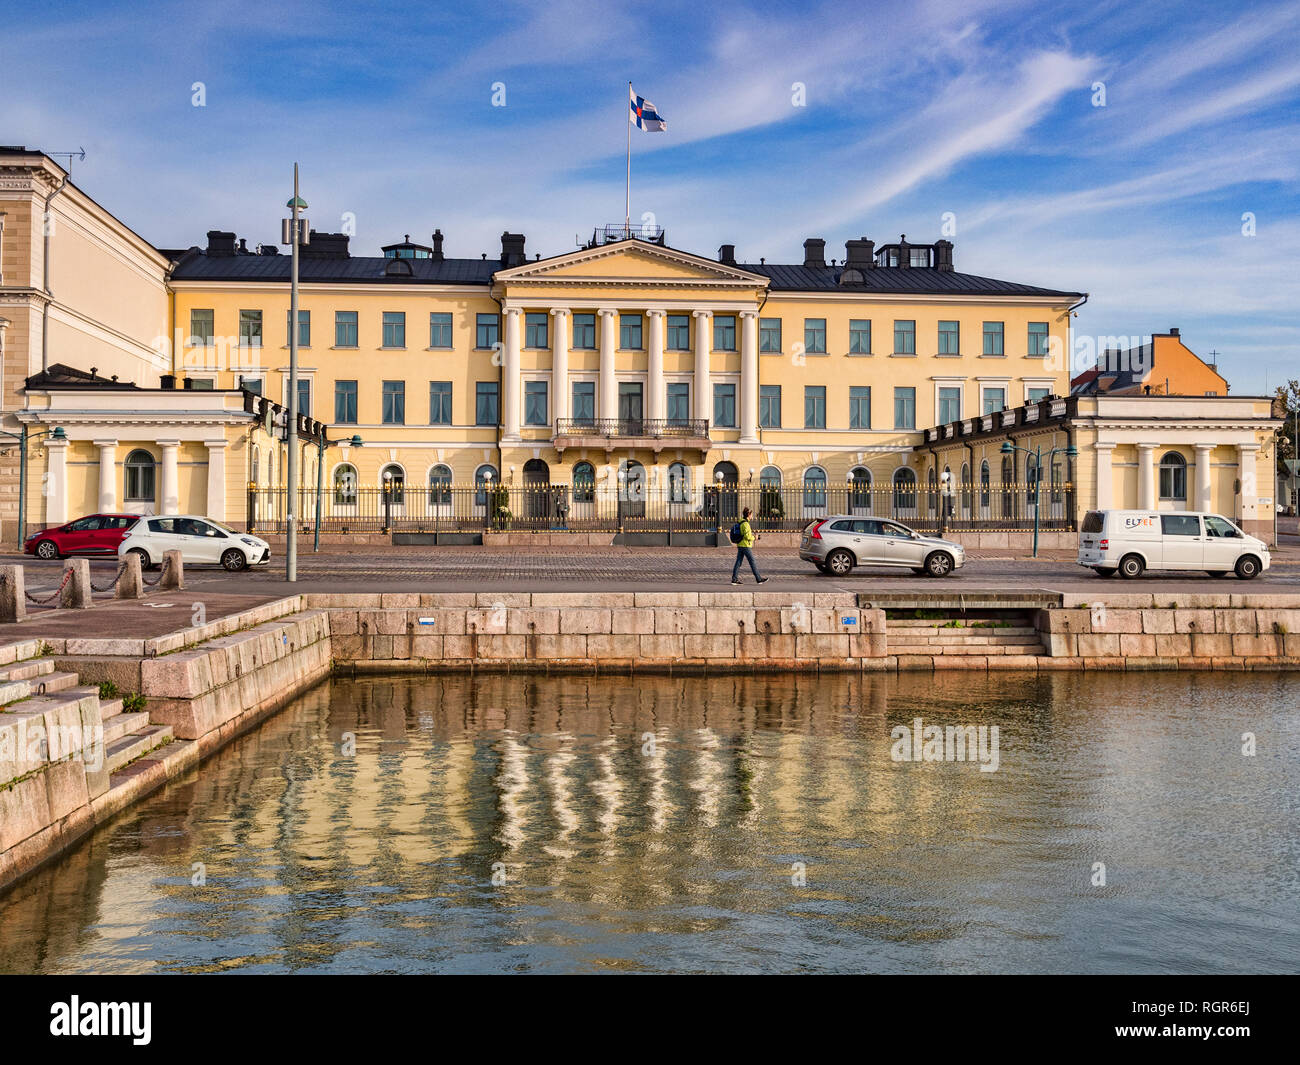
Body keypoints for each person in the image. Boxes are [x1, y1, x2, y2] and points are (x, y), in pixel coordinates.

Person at [731, 507, 768, 585]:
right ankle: (758, 579)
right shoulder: (746, 524)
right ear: (748, 515)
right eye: (751, 514)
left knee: (738, 562)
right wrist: (755, 537)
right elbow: (747, 537)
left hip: (740, 544)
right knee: (752, 561)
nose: (752, 516)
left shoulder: (741, 522)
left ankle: (734, 579)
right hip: (745, 545)